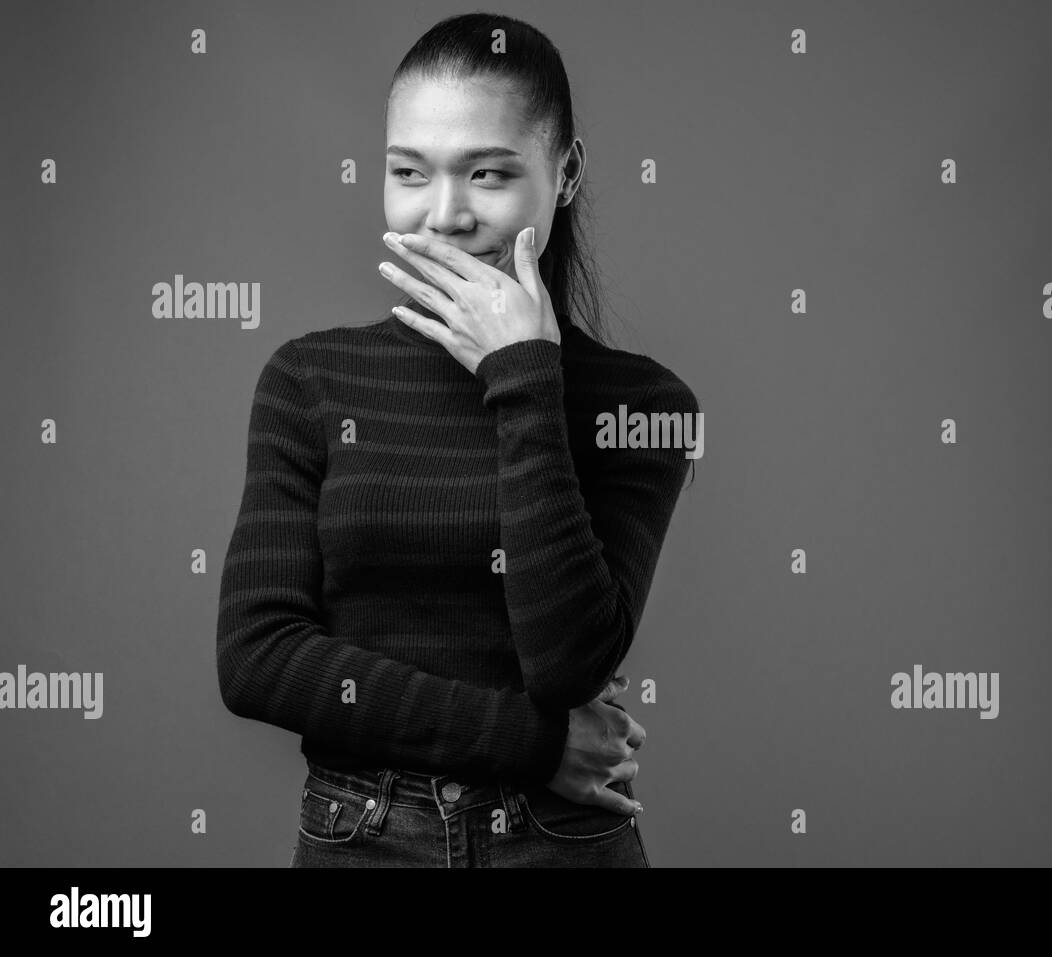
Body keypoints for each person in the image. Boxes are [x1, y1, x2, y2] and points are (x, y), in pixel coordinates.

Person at [215, 12, 699, 867]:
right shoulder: (309, 381)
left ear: (567, 171)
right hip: (362, 834)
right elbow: (258, 658)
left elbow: (566, 662)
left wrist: (524, 374)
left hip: (560, 843)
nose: (444, 214)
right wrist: (532, 742)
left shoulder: (644, 404)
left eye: (487, 173)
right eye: (409, 172)